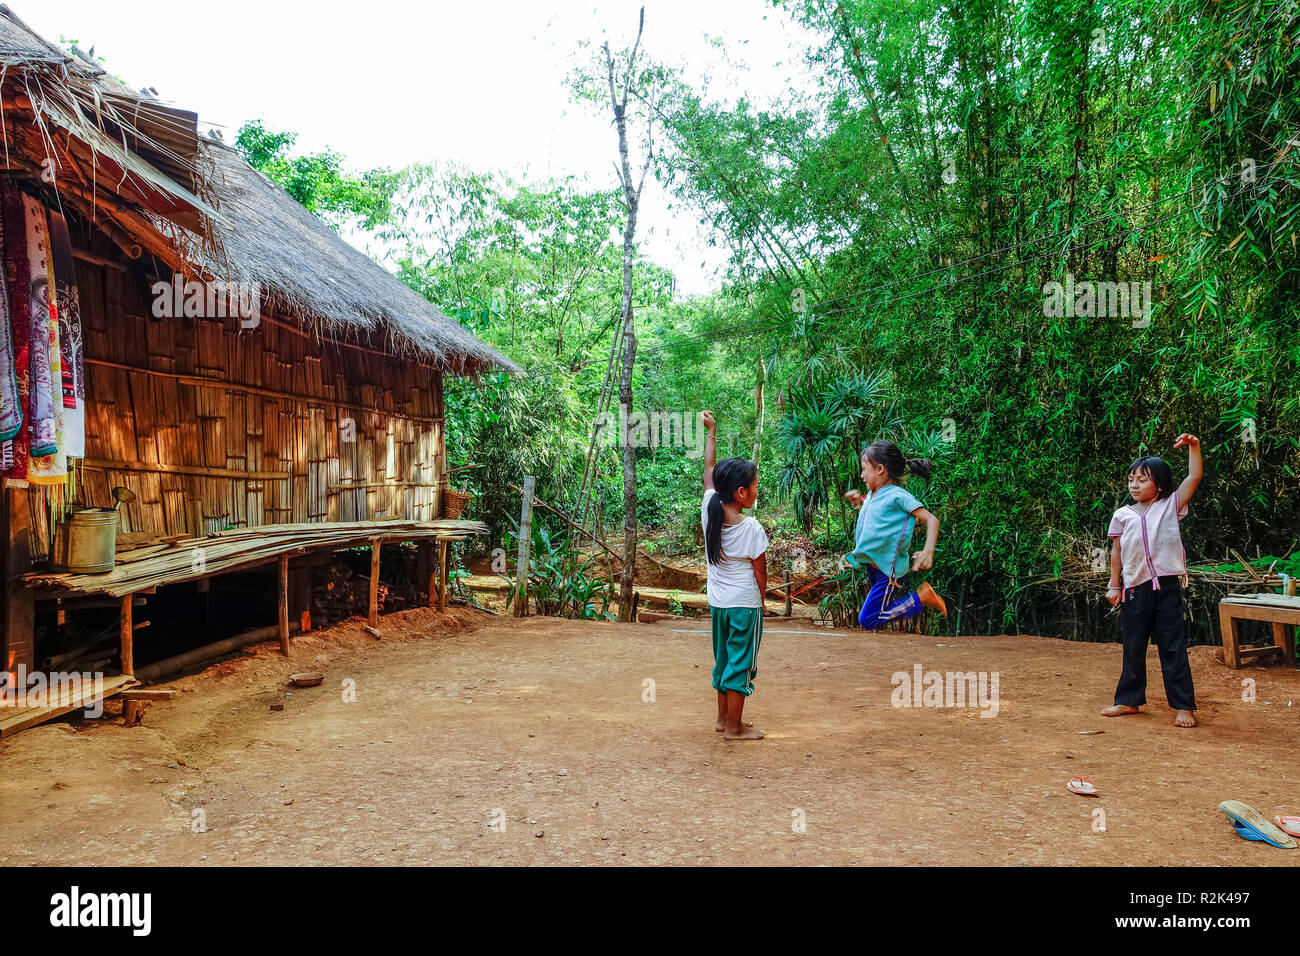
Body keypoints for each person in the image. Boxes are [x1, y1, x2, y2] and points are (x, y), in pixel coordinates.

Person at [1103, 434, 1202, 728]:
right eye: (1131, 479)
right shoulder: (1123, 514)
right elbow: (1116, 551)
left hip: (1168, 587)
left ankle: (1184, 706)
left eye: (1142, 480)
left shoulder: (1171, 505)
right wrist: (1114, 585)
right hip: (1135, 588)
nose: (1134, 485)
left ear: (1159, 484)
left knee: (1172, 646)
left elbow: (1194, 476)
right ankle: (1128, 700)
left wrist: (1194, 446)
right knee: (1133, 645)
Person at [701, 411, 768, 740]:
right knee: (741, 663)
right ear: (741, 492)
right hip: (744, 605)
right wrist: (763, 600)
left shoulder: (709, 510)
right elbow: (760, 571)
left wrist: (711, 432)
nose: (757, 490)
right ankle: (733, 728)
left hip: (719, 604)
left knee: (724, 658)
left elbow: (708, 474)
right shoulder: (752, 527)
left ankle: (722, 719)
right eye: (755, 486)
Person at [843, 440, 947, 628]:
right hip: (873, 567)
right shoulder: (873, 495)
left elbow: (932, 520)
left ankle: (921, 598)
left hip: (887, 570)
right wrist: (858, 502)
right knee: (876, 616)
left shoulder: (898, 495)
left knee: (867, 620)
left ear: (880, 469)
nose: (861, 475)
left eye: (865, 469)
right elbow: (877, 517)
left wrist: (927, 552)